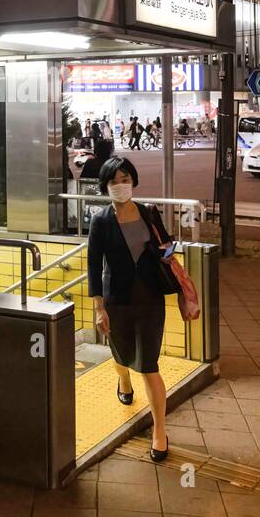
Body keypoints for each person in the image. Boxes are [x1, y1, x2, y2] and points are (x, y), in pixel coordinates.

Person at [87, 157, 173, 462]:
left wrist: (167, 252)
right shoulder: (100, 221)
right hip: (117, 300)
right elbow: (94, 267)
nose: (120, 185)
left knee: (149, 365)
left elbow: (167, 243)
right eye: (114, 181)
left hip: (150, 297)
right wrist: (99, 308)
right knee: (121, 352)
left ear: (133, 181)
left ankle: (160, 431)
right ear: (105, 186)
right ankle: (123, 379)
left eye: (125, 179)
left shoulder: (149, 213)